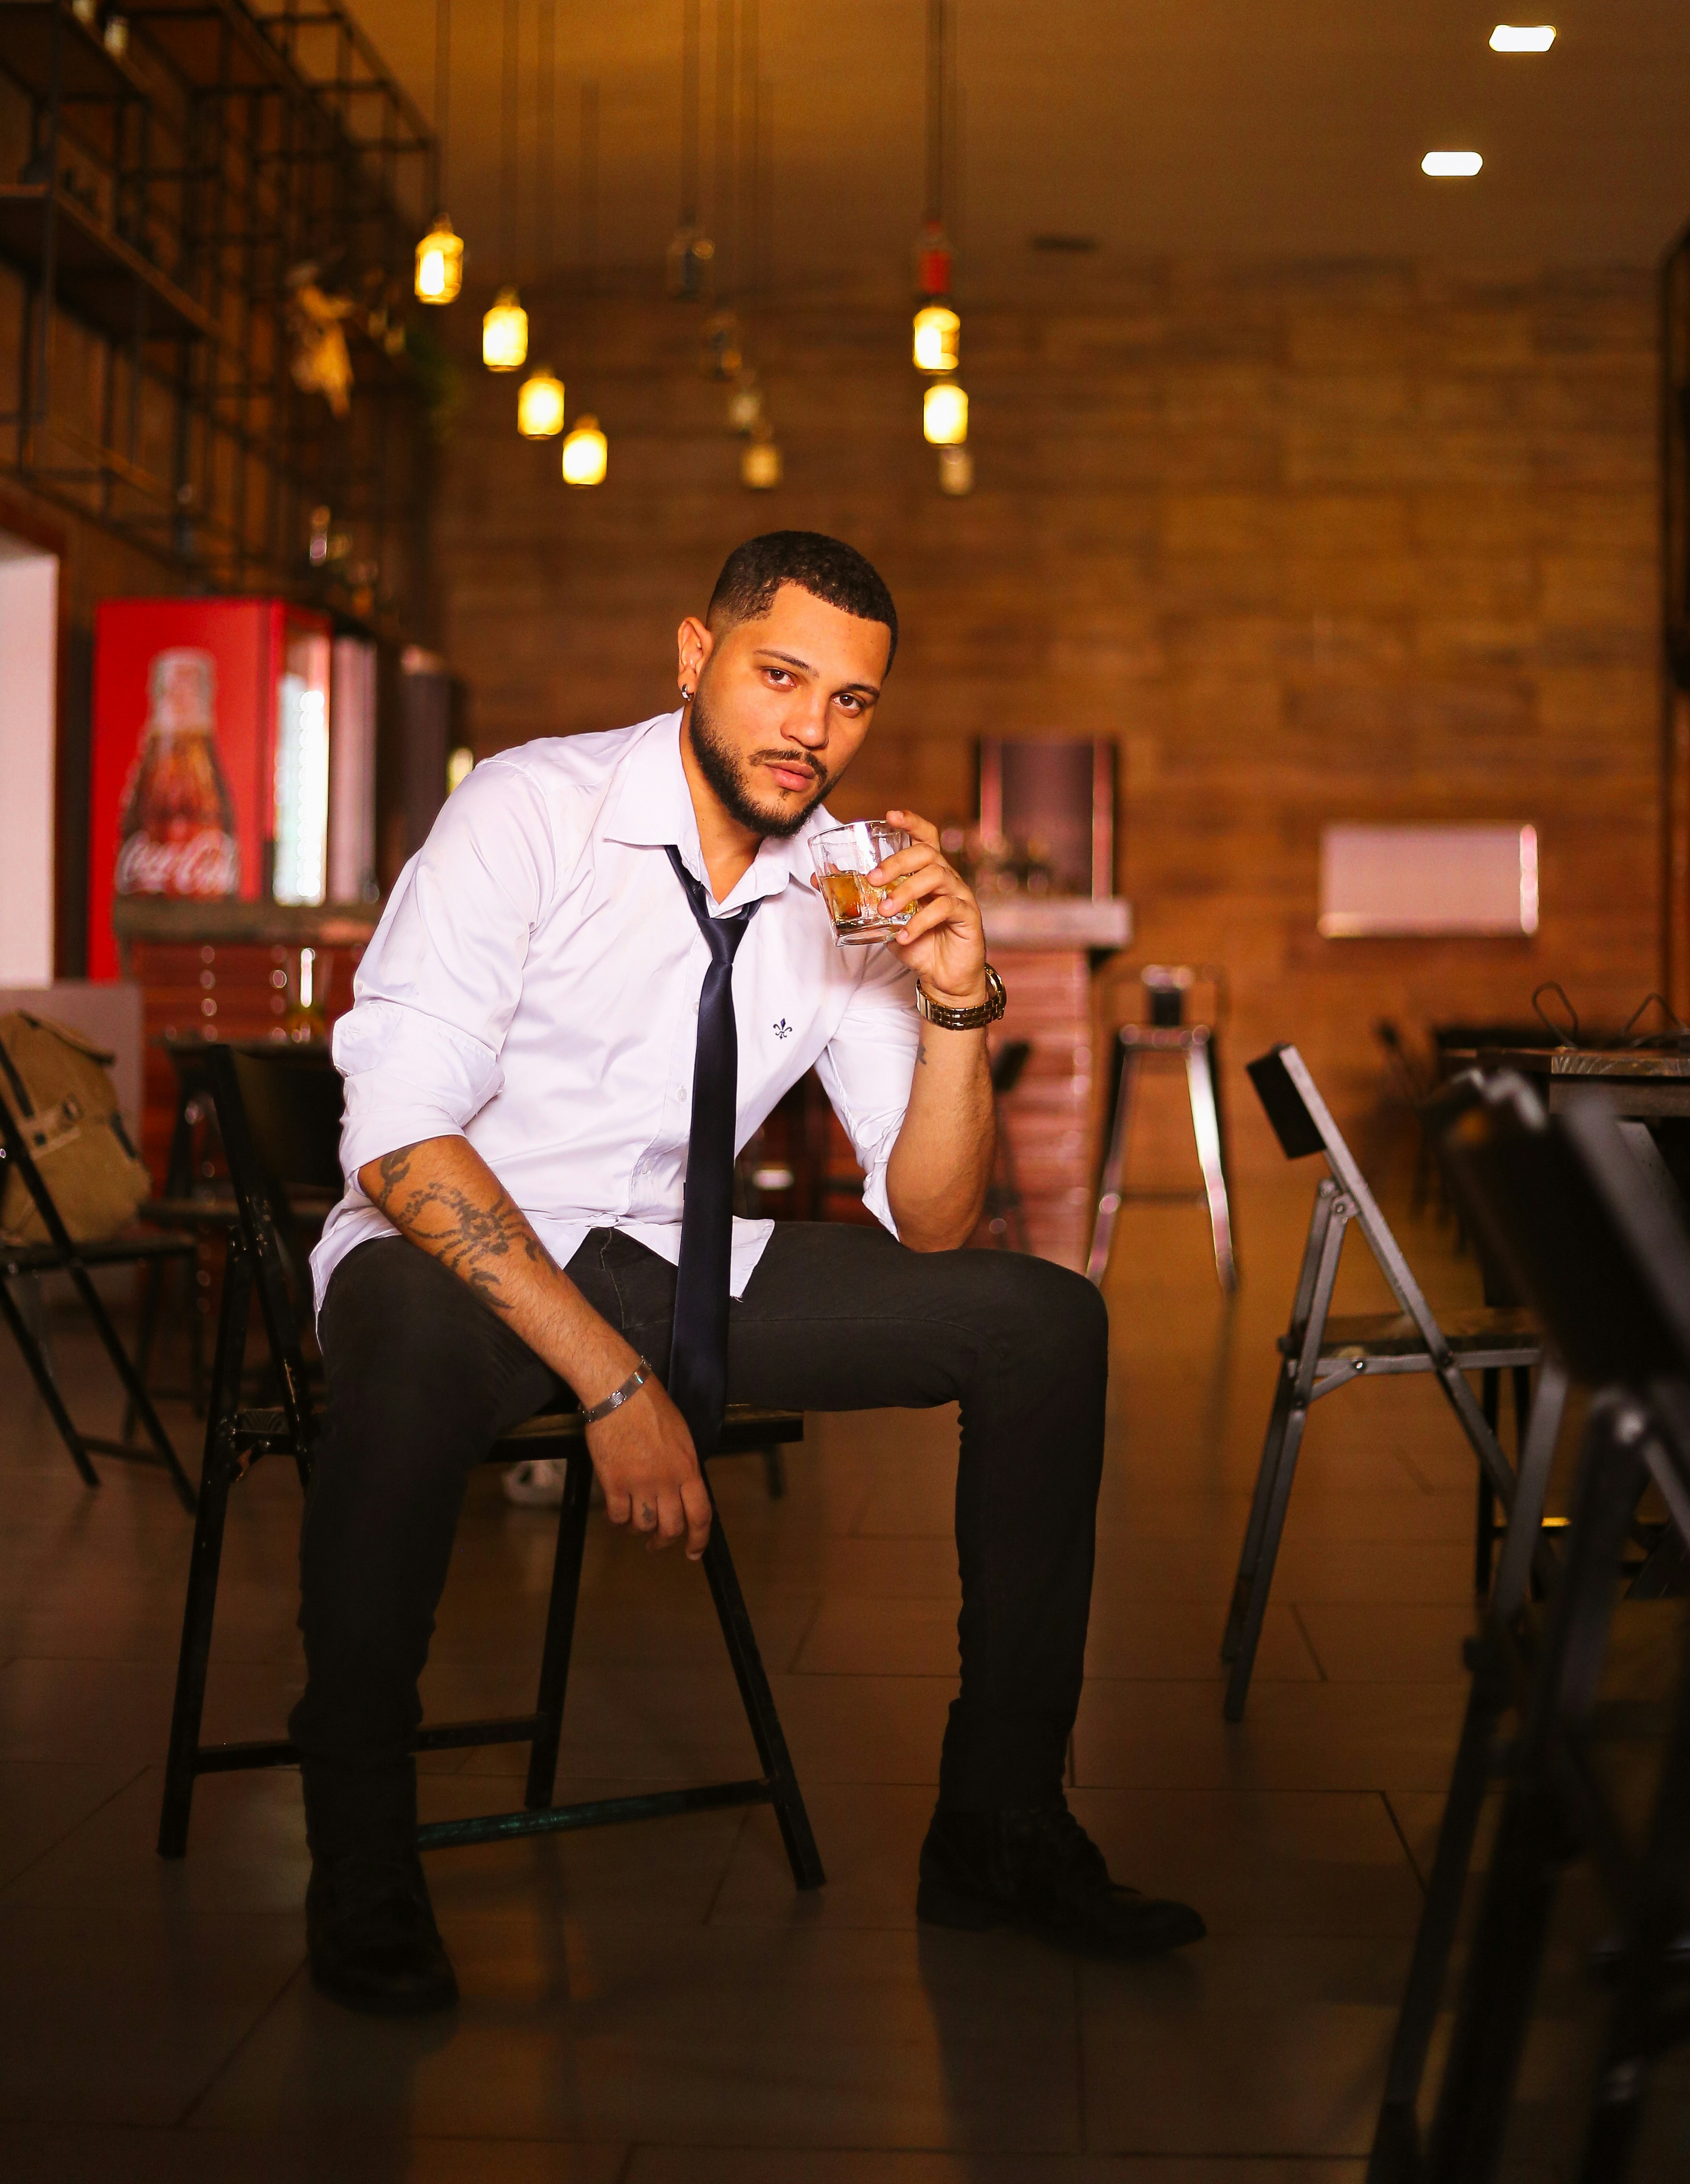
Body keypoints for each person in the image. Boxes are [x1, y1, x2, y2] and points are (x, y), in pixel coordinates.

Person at [294, 529, 1205, 2013]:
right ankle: (360, 1853)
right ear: (692, 657)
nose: (813, 731)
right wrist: (614, 1385)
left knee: (1043, 1324)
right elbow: (400, 1147)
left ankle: (999, 1823)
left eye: (851, 702)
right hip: (468, 1251)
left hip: (674, 1261)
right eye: (782, 677)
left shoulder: (844, 886)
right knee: (396, 1304)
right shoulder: (532, 811)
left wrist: (964, 1002)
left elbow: (931, 1219)